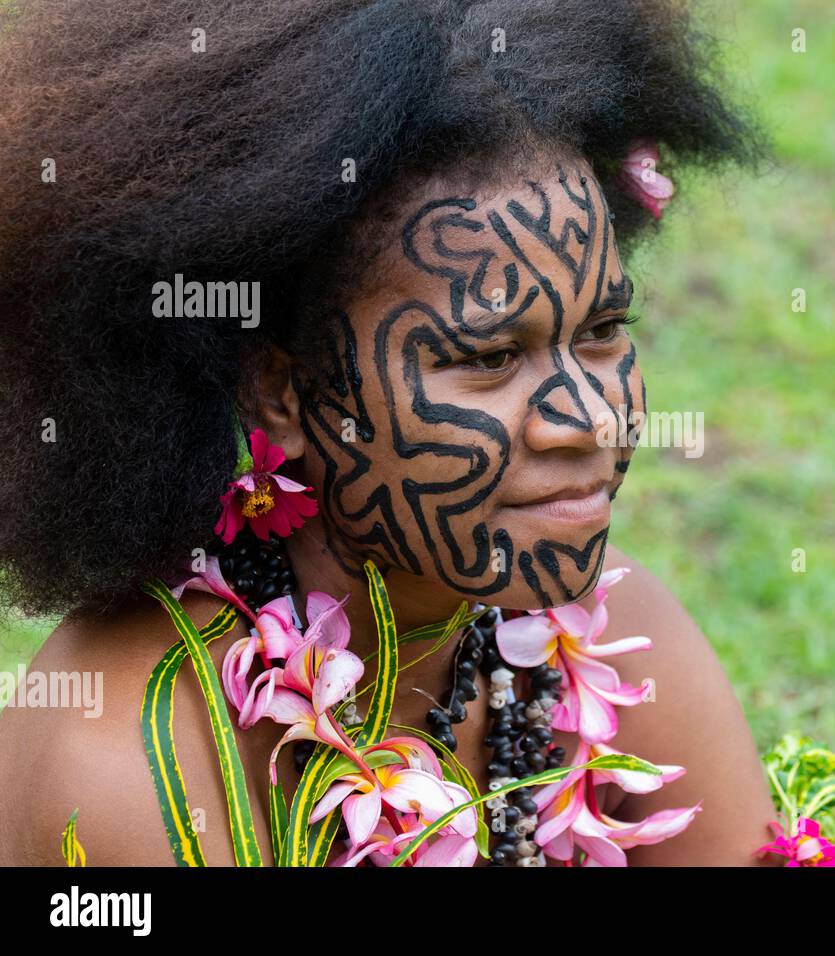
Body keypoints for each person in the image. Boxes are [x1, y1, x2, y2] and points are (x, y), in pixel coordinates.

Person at [0, 0, 779, 866]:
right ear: (283, 394)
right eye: (486, 355)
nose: (589, 416)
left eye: (600, 332)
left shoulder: (607, 627)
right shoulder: (135, 753)